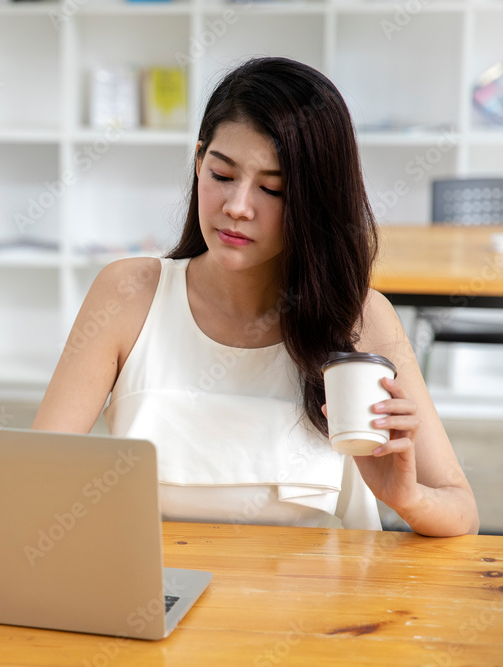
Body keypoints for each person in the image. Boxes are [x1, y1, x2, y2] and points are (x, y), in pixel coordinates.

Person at [32, 57, 479, 536]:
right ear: (199, 160)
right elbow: (34, 478)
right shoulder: (128, 294)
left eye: (273, 188)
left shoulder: (361, 318)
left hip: (325, 603)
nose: (237, 207)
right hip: (156, 601)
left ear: (315, 200)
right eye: (222, 176)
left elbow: (461, 512)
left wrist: (405, 498)